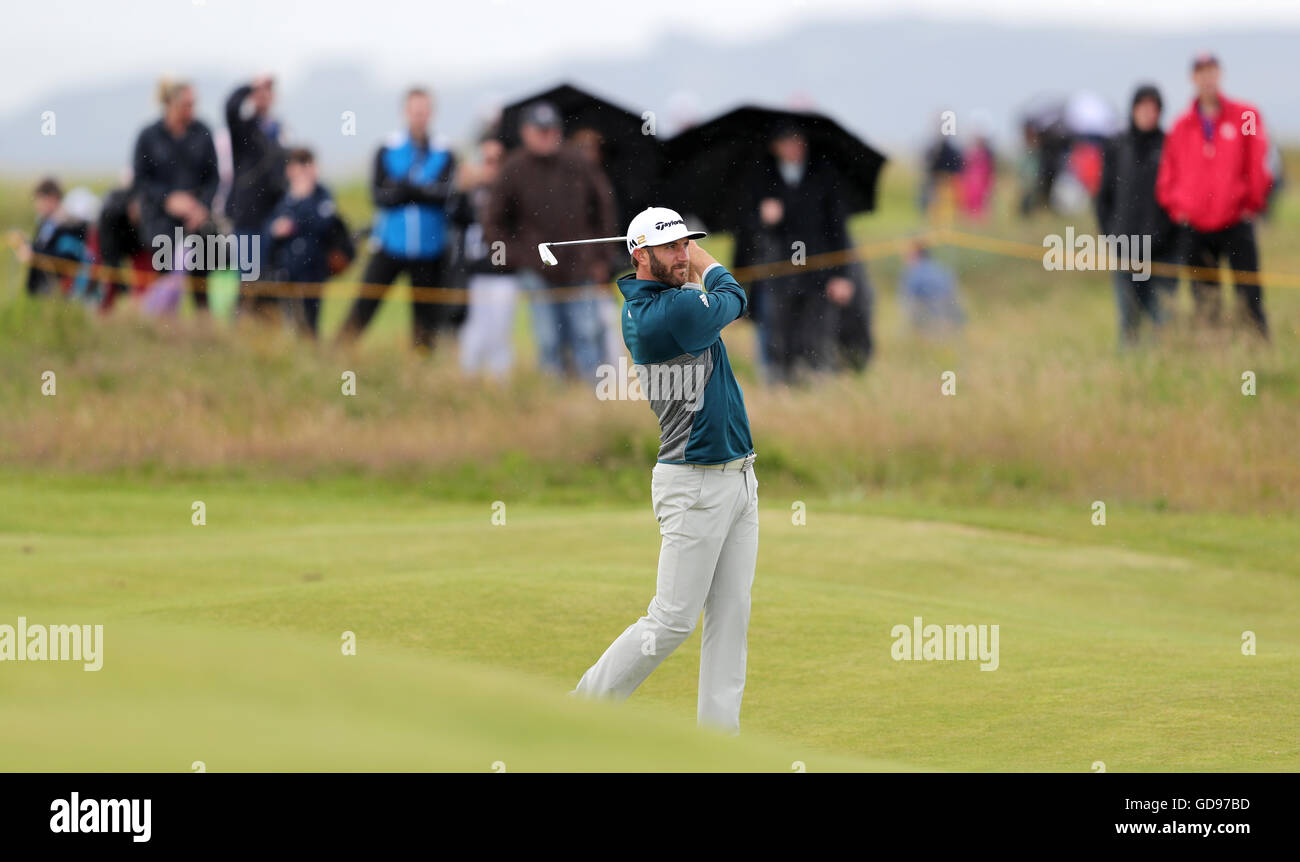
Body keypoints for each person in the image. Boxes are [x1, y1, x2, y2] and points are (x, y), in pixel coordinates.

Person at [572, 207, 758, 736]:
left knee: (730, 616)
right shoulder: (663, 314)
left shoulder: (673, 299)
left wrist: (691, 263)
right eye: (671, 247)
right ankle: (579, 708)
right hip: (695, 481)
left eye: (686, 245)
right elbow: (736, 297)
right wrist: (705, 262)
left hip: (739, 476)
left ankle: (719, 743)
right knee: (672, 619)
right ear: (640, 255)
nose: (683, 253)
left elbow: (719, 299)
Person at [483, 101, 617, 381]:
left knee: (587, 335)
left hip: (581, 269)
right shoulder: (514, 168)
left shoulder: (579, 165)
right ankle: (553, 402)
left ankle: (590, 404)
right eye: (539, 130)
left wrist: (602, 257)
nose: (545, 135)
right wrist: (517, 258)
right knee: (548, 340)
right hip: (537, 273)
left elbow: (605, 210)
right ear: (525, 132)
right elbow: (493, 223)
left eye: (550, 129)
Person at [734, 126, 867, 384]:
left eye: (797, 140)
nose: (793, 147)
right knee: (777, 338)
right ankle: (779, 390)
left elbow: (838, 230)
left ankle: (816, 390)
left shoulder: (825, 174)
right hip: (777, 275)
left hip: (819, 273)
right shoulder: (761, 177)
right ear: (775, 146)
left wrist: (842, 275)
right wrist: (763, 218)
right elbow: (745, 231)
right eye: (786, 141)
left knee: (817, 338)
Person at [1156, 53, 1273, 336]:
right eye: (1201, 73)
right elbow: (1168, 174)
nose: (1207, 78)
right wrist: (1178, 207)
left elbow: (1257, 161)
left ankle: (1257, 354)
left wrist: (1253, 203)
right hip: (1196, 228)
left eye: (1211, 71)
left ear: (1219, 74)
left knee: (1249, 294)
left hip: (1235, 223)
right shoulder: (1180, 125)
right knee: (1205, 300)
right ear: (1193, 79)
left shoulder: (1245, 115)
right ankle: (1212, 352)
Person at [337, 87, 460, 351]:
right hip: (390, 243)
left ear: (431, 114)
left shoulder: (444, 150)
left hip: (429, 249)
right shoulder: (387, 148)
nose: (420, 117)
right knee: (364, 305)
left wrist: (405, 189)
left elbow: (446, 195)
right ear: (405, 112)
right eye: (415, 111)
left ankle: (420, 371)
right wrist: (421, 190)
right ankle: (338, 354)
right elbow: (381, 195)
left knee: (425, 319)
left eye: (424, 111)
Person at [1095, 84, 1177, 345]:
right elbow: (1102, 197)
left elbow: (1179, 196)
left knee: (1163, 318)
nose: (1147, 113)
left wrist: (1170, 235)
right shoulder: (1117, 147)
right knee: (1128, 318)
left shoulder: (1170, 146)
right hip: (1126, 247)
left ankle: (1162, 367)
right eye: (1142, 107)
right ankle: (1128, 371)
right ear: (1133, 110)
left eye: (1153, 108)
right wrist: (1111, 235)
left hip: (1164, 250)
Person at [131, 78, 220, 311]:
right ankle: (164, 326)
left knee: (202, 277)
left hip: (197, 220)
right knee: (166, 274)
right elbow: (141, 181)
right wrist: (168, 199)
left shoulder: (203, 133)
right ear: (169, 104)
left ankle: (203, 329)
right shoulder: (148, 137)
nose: (191, 109)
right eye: (186, 104)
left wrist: (202, 208)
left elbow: (213, 177)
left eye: (193, 104)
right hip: (160, 221)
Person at [449, 132, 517, 378]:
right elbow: (455, 220)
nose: (491, 166)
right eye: (486, 160)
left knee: (499, 330)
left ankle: (500, 381)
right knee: (474, 329)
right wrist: (461, 189)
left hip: (503, 273)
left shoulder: (511, 192)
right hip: (475, 272)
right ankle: (469, 378)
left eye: (496, 160)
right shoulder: (471, 193)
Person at [264, 148, 350, 337]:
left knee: (310, 323)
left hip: (314, 270)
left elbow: (324, 223)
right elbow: (269, 230)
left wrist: (298, 213)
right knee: (287, 322)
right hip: (286, 270)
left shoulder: (322, 195)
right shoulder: (282, 197)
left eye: (307, 165)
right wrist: (276, 230)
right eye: (298, 166)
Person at [225, 75, 287, 318]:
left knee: (270, 278)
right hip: (247, 217)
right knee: (248, 278)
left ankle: (263, 330)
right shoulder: (243, 128)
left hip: (272, 216)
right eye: (259, 93)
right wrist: (249, 85)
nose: (264, 97)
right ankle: (240, 327)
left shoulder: (279, 131)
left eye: (267, 92)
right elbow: (230, 106)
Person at [16, 177, 91, 298]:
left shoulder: (69, 225)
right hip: (42, 292)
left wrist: (33, 253)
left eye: (39, 200)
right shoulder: (45, 222)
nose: (37, 205)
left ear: (52, 198)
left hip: (62, 294)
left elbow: (66, 260)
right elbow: (45, 248)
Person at [899, 240, 964, 333]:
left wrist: (905, 330)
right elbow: (955, 298)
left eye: (907, 254)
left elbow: (907, 303)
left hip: (930, 322)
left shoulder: (913, 274)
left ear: (915, 255)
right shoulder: (941, 269)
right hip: (949, 321)